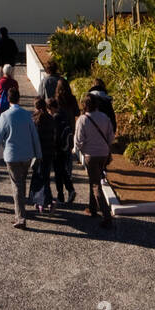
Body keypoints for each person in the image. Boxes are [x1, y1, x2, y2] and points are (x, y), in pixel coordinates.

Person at [0, 89, 42, 228]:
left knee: (17, 185)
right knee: (21, 183)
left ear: (9, 99)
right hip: (26, 155)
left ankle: (21, 217)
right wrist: (38, 153)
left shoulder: (5, 115)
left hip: (12, 156)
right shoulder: (27, 114)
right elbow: (34, 135)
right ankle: (21, 211)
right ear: (19, 99)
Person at [74, 95, 114, 226]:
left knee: (96, 184)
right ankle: (92, 209)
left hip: (91, 156)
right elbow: (111, 137)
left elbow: (79, 140)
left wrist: (76, 150)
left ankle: (106, 216)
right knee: (94, 180)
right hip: (104, 154)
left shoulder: (82, 120)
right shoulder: (104, 117)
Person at [29, 97, 56, 212]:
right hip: (49, 151)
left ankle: (41, 201)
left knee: (38, 176)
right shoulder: (50, 118)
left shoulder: (34, 120)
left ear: (36, 107)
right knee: (46, 176)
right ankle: (47, 200)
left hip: (38, 153)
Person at [49, 98, 76, 204]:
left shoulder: (55, 118)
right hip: (65, 148)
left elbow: (55, 136)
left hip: (57, 149)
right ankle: (70, 190)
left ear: (51, 108)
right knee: (63, 171)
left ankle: (61, 195)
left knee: (58, 173)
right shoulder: (64, 114)